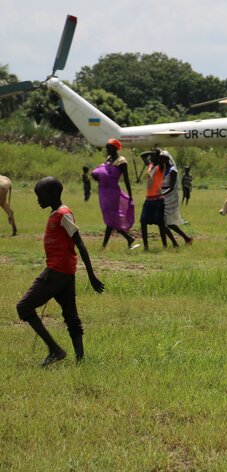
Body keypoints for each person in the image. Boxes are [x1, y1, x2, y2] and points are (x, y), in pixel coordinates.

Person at [16, 177, 104, 366]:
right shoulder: (56, 213)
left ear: (53, 195)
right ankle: (80, 360)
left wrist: (91, 275)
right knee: (71, 316)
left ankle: (55, 349)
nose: (38, 199)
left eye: (41, 195)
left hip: (57, 272)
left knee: (23, 307)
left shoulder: (64, 214)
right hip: (65, 272)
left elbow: (80, 243)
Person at [92, 139, 137, 249]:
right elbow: (104, 173)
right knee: (109, 217)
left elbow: (126, 179)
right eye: (107, 147)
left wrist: (130, 195)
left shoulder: (122, 161)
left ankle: (104, 246)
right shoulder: (108, 159)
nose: (107, 149)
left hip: (113, 192)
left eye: (109, 147)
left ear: (116, 148)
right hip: (103, 191)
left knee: (111, 219)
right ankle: (128, 238)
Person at [139, 148, 175, 250]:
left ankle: (165, 245)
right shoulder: (151, 165)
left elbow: (163, 159)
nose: (151, 157)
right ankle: (146, 247)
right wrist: (152, 152)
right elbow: (142, 155)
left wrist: (158, 153)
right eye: (151, 156)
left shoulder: (161, 167)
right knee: (143, 222)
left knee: (160, 224)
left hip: (158, 200)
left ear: (158, 157)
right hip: (149, 199)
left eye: (154, 156)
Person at [159, 150, 192, 245]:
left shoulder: (172, 170)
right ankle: (185, 239)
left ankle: (178, 242)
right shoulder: (163, 169)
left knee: (164, 223)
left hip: (169, 197)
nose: (160, 160)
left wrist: (162, 194)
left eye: (162, 158)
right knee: (166, 223)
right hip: (162, 196)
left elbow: (171, 187)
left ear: (166, 159)